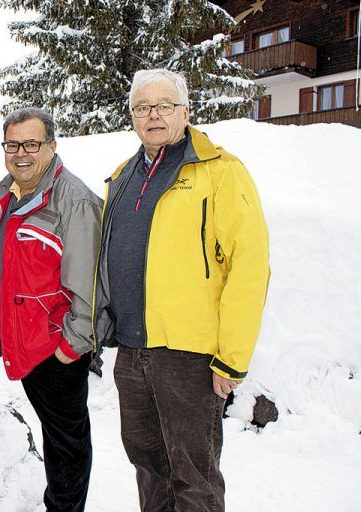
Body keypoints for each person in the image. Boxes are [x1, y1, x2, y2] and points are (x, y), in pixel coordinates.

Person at [93, 69, 270, 511]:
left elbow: (249, 268)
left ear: (186, 111)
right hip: (132, 352)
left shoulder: (220, 172)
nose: (153, 115)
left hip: (189, 357)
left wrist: (232, 358)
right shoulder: (122, 176)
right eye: (142, 107)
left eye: (164, 105)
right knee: (148, 467)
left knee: (194, 476)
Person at [0, 107, 102, 512]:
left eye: (32, 144)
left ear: (52, 146)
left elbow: (87, 282)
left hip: (54, 344)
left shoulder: (74, 200)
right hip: (20, 331)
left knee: (66, 443)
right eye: (13, 144)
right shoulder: (6, 192)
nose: (22, 153)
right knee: (54, 435)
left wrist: (72, 345)